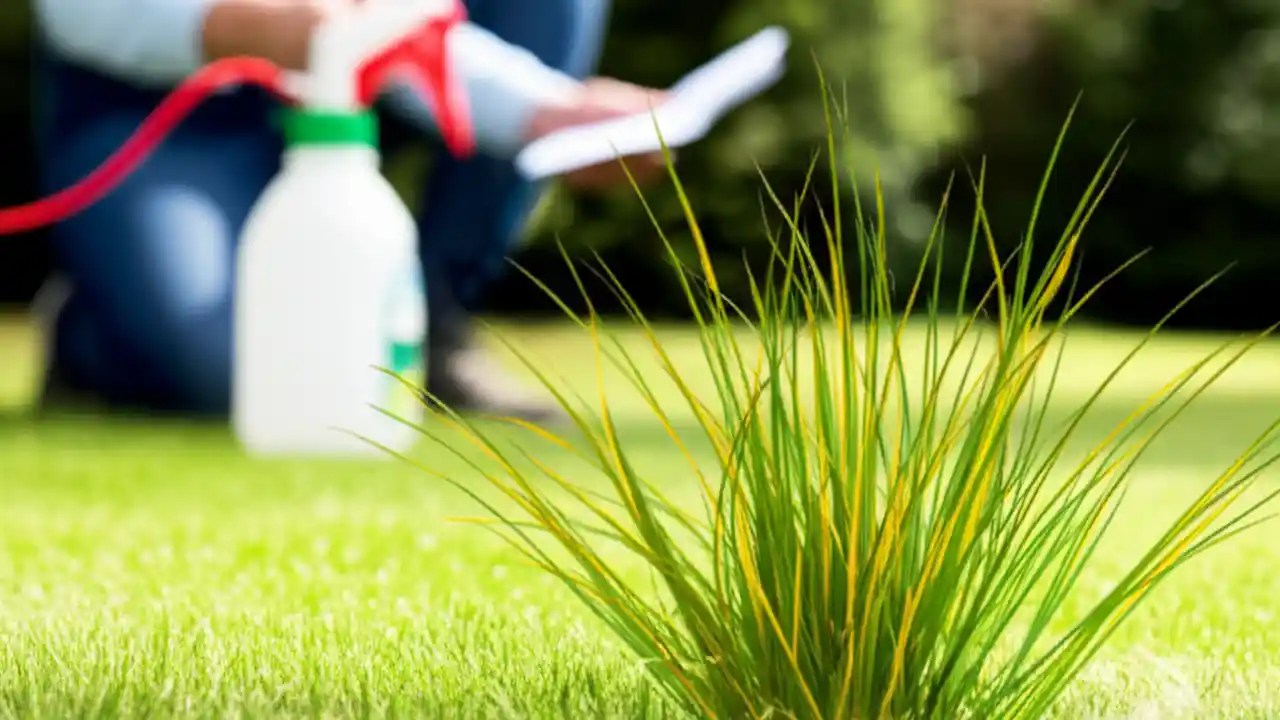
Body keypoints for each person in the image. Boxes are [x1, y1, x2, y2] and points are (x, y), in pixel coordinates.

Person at [29, 0, 667, 423]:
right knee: (239, 373)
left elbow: (390, 22)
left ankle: (432, 323)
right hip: (158, 109)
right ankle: (98, 323)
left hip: (338, 91)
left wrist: (546, 110)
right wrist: (246, 24)